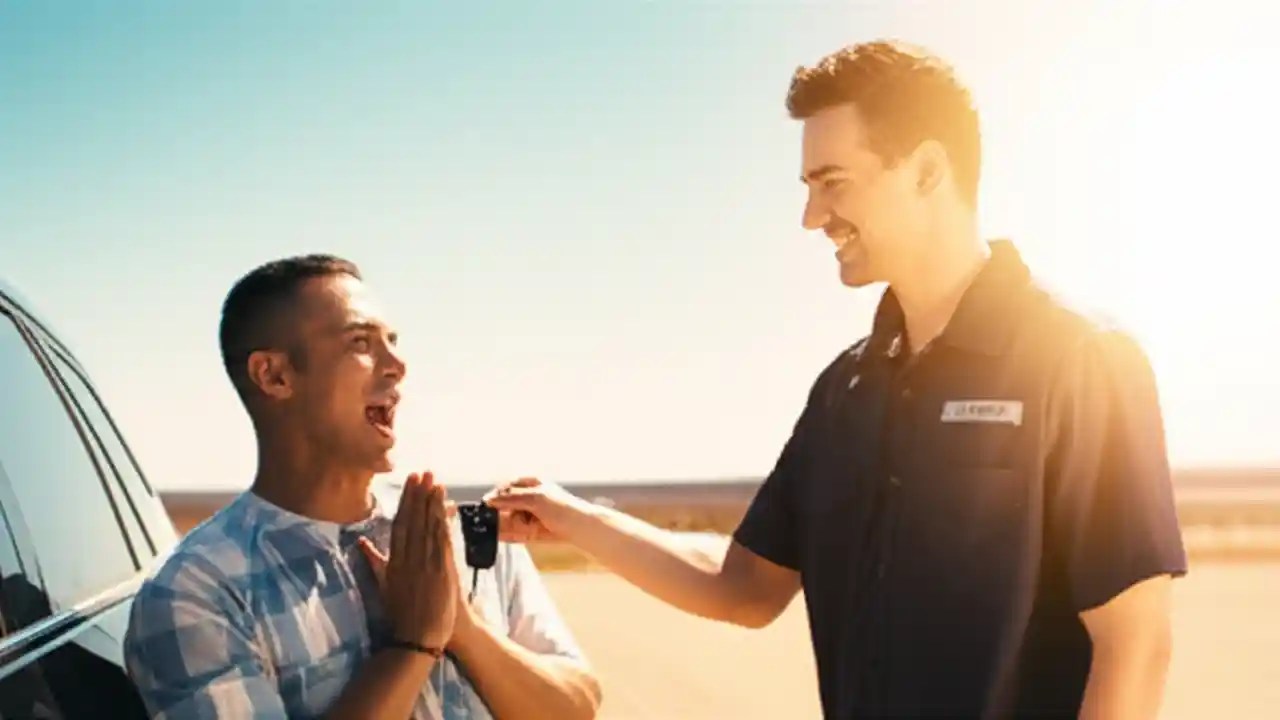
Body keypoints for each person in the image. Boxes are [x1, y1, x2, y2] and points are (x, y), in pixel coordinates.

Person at [485, 41, 1187, 719]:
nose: (812, 217)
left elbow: (1135, 644)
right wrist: (576, 519)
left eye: (833, 183)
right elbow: (745, 587)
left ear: (927, 171)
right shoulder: (845, 390)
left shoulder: (1082, 357)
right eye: (809, 187)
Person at [124, 255, 601, 720]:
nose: (398, 365)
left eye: (393, 341)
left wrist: (464, 627)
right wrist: (411, 647)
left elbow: (577, 706)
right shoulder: (197, 593)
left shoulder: (454, 537)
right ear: (274, 375)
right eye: (360, 342)